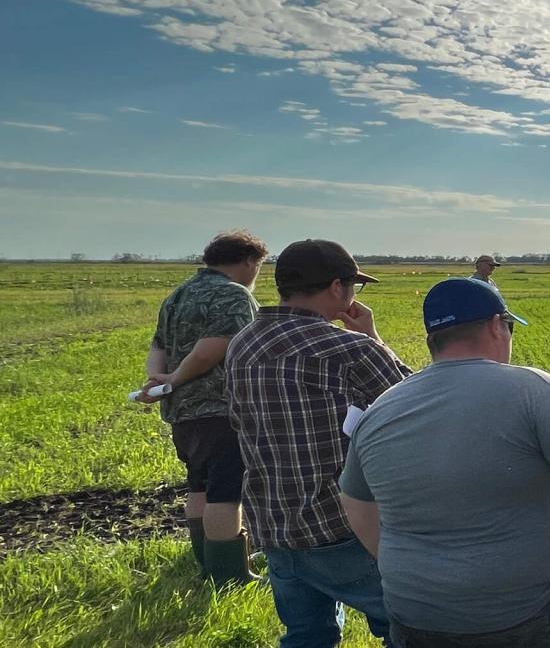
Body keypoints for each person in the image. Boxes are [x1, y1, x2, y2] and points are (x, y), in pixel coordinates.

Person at [338, 279, 550, 647]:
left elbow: (355, 502)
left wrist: (413, 567)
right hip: (527, 612)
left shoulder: (382, 409)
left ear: (433, 341)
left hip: (415, 616)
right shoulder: (534, 390)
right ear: (495, 325)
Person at [227, 239, 412, 648]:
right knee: (406, 625)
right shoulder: (347, 349)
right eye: (353, 286)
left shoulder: (243, 344)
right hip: (341, 525)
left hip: (273, 523)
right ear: (336, 288)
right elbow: (419, 410)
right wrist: (374, 337)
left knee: (307, 635)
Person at [138, 230, 268, 585]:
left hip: (183, 413)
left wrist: (159, 380)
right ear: (248, 261)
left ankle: (207, 562)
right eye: (259, 266)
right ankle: (230, 576)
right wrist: (175, 379)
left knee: (199, 486)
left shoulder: (178, 294)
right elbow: (213, 349)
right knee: (226, 493)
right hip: (222, 408)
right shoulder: (234, 295)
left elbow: (158, 346)